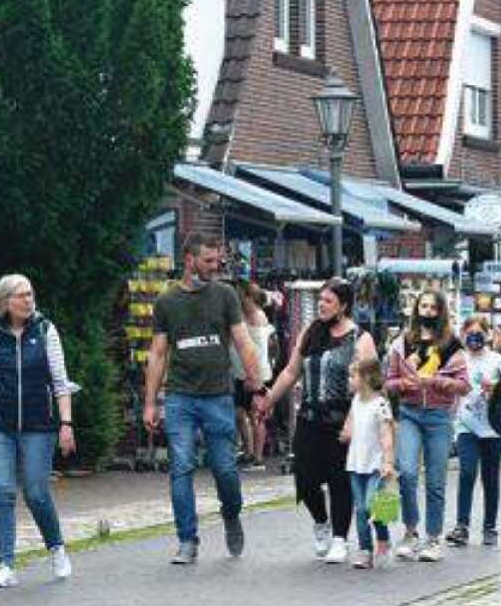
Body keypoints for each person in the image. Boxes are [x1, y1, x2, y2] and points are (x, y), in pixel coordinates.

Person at [143, 233, 262, 564]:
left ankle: (231, 513)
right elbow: (157, 353)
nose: (215, 266)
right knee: (181, 467)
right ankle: (187, 540)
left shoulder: (225, 296)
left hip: (218, 397)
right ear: (189, 260)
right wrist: (151, 402)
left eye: (218, 260)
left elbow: (243, 342)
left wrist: (257, 385)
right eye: (209, 261)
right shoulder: (167, 302)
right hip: (180, 396)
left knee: (224, 468)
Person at [0, 274, 77, 587]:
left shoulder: (45, 330)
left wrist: (66, 424)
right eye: (20, 295)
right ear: (4, 302)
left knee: (36, 492)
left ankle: (56, 547)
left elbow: (60, 382)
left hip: (39, 425)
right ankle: (5, 564)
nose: (28, 300)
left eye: (30, 294)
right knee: (1, 491)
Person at [259, 278, 377, 564]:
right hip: (309, 417)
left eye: (328, 300)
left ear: (344, 305)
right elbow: (290, 372)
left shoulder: (360, 338)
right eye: (321, 299)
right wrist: (268, 401)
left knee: (339, 480)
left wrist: (352, 421)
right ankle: (321, 522)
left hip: (342, 419)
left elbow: (370, 386)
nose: (322, 305)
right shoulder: (310, 333)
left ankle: (339, 538)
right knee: (305, 479)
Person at [384, 288, 470, 562]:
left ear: (441, 311)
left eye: (433, 308)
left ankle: (433, 538)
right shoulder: (402, 343)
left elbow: (464, 385)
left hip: (438, 416)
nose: (428, 312)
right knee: (407, 473)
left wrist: (438, 381)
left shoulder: (452, 346)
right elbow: (388, 382)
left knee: (435, 480)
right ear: (416, 309)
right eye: (424, 306)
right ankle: (411, 531)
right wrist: (403, 384)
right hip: (409, 413)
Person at [446, 316, 501, 548]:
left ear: (488, 335)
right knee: (467, 472)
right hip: (466, 425)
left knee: (491, 478)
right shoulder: (458, 360)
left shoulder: (498, 360)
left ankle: (489, 527)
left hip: (493, 427)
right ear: (462, 335)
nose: (474, 339)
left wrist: (497, 389)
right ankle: (462, 525)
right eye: (469, 333)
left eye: (479, 334)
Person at [341, 356, 395, 569]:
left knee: (371, 505)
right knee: (361, 508)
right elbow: (351, 422)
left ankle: (383, 538)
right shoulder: (355, 401)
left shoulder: (380, 404)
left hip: (375, 464)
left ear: (366, 378)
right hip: (355, 463)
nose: (349, 380)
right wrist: (346, 433)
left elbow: (386, 434)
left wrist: (388, 462)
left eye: (352, 376)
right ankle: (365, 550)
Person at [230, 281, 274, 471]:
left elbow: (257, 351)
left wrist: (254, 377)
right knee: (239, 413)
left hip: (256, 375)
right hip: (240, 373)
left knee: (256, 414)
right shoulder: (242, 315)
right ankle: (248, 451)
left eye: (242, 297)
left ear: (250, 298)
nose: (239, 300)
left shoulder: (257, 316)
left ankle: (258, 458)